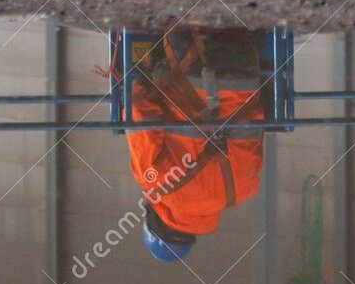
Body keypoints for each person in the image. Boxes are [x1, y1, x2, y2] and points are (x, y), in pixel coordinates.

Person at [95, 28, 269, 263]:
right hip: (193, 58)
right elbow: (139, 112)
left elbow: (258, 122)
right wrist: (144, 81)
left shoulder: (245, 189)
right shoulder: (154, 181)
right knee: (163, 23)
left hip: (245, 61)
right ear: (154, 219)